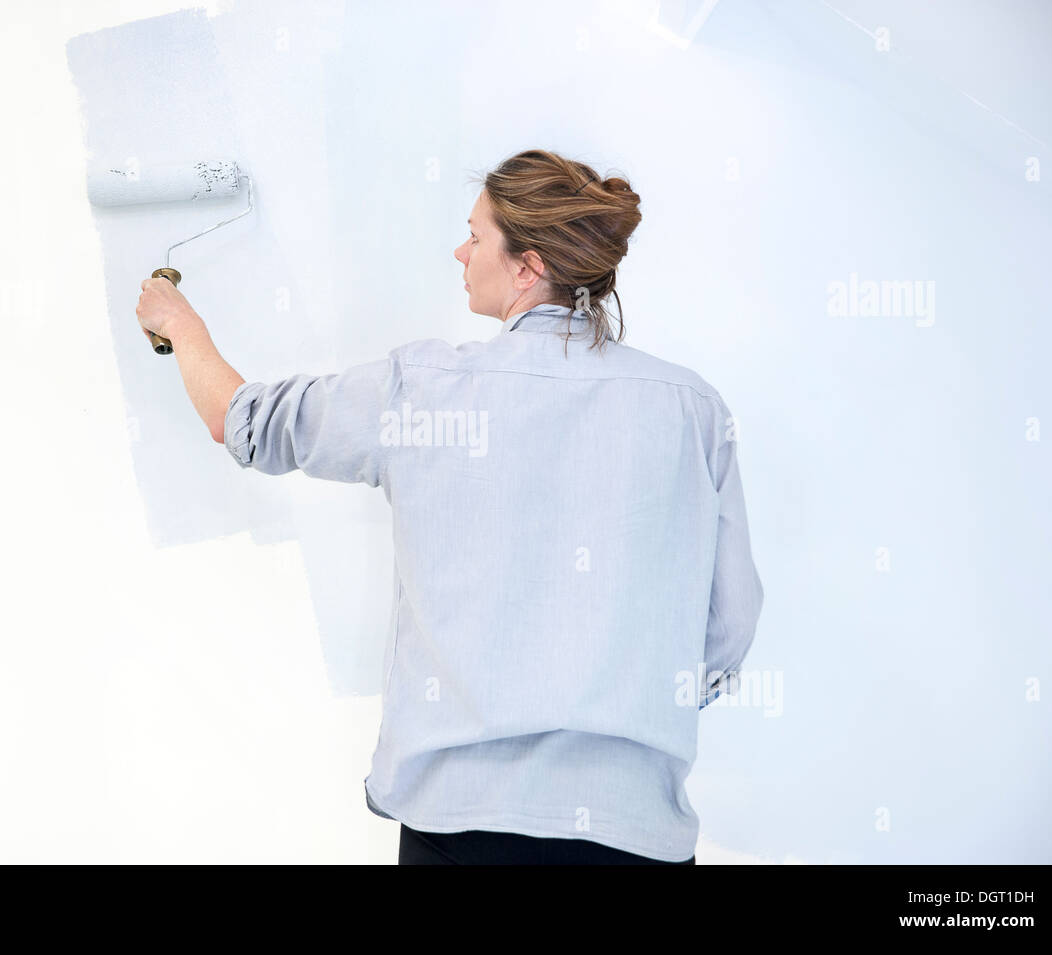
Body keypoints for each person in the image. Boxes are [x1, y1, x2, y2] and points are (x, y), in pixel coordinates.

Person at [136, 148, 764, 865]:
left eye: (474, 234)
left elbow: (245, 424)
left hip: (459, 827)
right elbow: (730, 623)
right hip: (633, 831)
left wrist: (181, 324)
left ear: (527, 266)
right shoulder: (692, 410)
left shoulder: (424, 389)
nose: (459, 250)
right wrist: (627, 693)